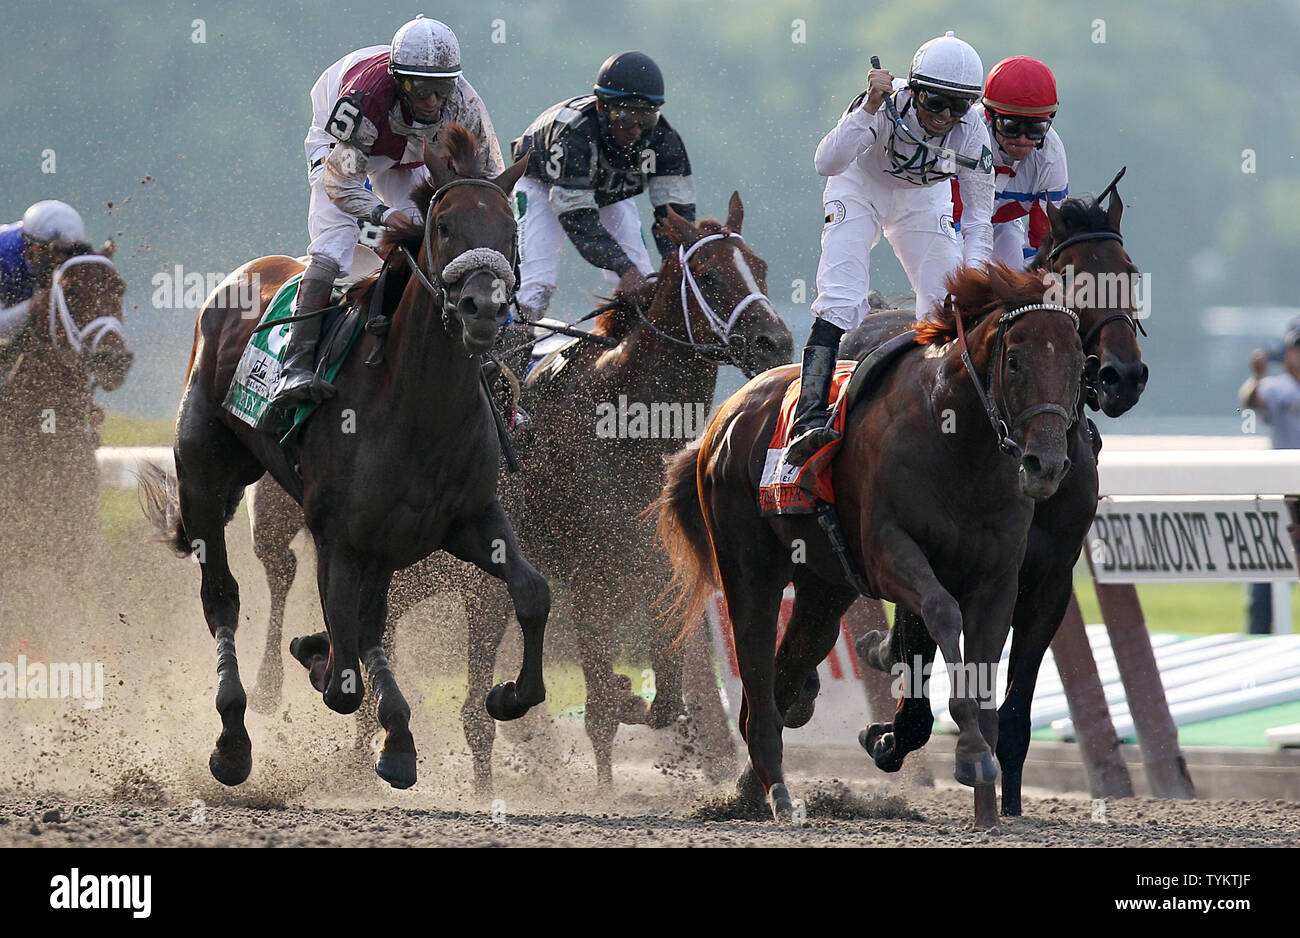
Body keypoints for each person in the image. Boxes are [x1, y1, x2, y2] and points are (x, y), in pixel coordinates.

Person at [271, 15, 505, 407]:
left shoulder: (464, 102)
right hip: (347, 147)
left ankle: (459, 352)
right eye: (418, 87)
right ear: (398, 80)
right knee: (334, 243)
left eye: (441, 88)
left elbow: (491, 180)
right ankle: (295, 364)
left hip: (410, 151)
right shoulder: (365, 100)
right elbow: (339, 183)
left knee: (421, 233)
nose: (431, 100)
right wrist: (379, 214)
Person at [784, 31, 995, 465]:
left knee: (944, 307)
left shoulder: (973, 130)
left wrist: (975, 278)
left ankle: (942, 413)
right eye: (934, 101)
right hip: (860, 185)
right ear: (912, 89)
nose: (944, 116)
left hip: (924, 198)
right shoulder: (883, 104)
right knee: (841, 295)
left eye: (957, 106)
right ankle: (807, 418)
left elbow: (977, 219)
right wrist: (868, 109)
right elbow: (826, 163)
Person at [509, 51, 696, 326]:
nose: (635, 130)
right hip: (542, 184)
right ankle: (504, 357)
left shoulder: (664, 140)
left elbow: (675, 217)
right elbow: (578, 219)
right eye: (624, 117)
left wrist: (674, 264)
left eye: (645, 118)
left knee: (645, 284)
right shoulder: (574, 135)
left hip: (607, 191)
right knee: (536, 288)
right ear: (601, 107)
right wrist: (623, 267)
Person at [952, 55, 1068, 269]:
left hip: (1003, 222)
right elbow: (955, 221)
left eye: (1036, 129)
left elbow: (1041, 242)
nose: (1023, 140)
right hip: (946, 221)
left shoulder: (1051, 156)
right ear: (989, 115)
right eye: (1011, 126)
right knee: (958, 275)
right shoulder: (964, 133)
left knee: (1019, 280)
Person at [1238, 322, 1300, 633]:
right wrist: (1257, 375)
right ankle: (1258, 636)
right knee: (1265, 576)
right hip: (1283, 495)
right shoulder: (1276, 388)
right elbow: (1249, 400)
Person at [0, 200, 87, 343]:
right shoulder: (4, 258)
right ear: (34, 250)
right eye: (57, 255)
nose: (62, 262)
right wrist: (33, 306)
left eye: (70, 255)